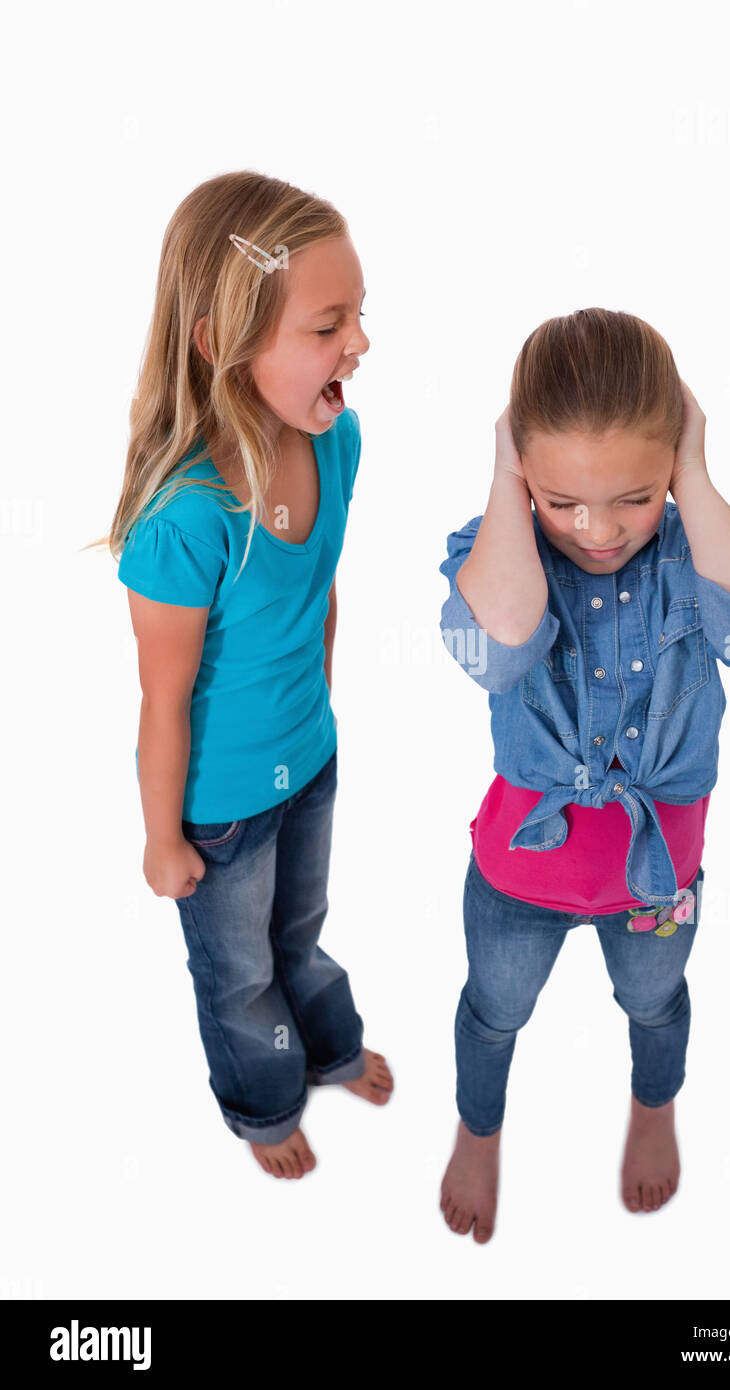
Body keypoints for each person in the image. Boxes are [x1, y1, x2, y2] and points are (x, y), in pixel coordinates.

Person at [437, 308, 730, 1241]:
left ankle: (656, 1107)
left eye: (635, 498)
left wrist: (691, 477)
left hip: (658, 882)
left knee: (654, 1003)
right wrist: (503, 482)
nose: (598, 530)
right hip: (519, 879)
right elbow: (490, 654)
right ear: (525, 472)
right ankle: (478, 1128)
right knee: (495, 1009)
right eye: (563, 500)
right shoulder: (488, 549)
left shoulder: (701, 550)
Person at [107, 170, 392, 1180]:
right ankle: (264, 1106)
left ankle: (333, 1050)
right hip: (219, 813)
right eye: (327, 326)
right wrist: (159, 839)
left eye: (359, 316)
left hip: (309, 759)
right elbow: (164, 699)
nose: (356, 344)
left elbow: (317, 595)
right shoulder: (185, 523)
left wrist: (314, 716)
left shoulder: (337, 437)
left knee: (302, 936)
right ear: (221, 342)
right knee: (239, 977)